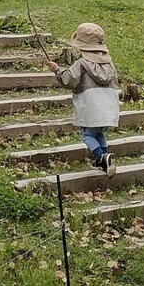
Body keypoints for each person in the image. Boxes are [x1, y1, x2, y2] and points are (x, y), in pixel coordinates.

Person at [49, 22, 120, 177]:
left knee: (87, 135)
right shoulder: (109, 63)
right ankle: (103, 161)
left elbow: (69, 80)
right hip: (108, 103)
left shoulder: (82, 63)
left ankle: (102, 157)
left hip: (90, 105)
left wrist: (57, 70)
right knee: (98, 132)